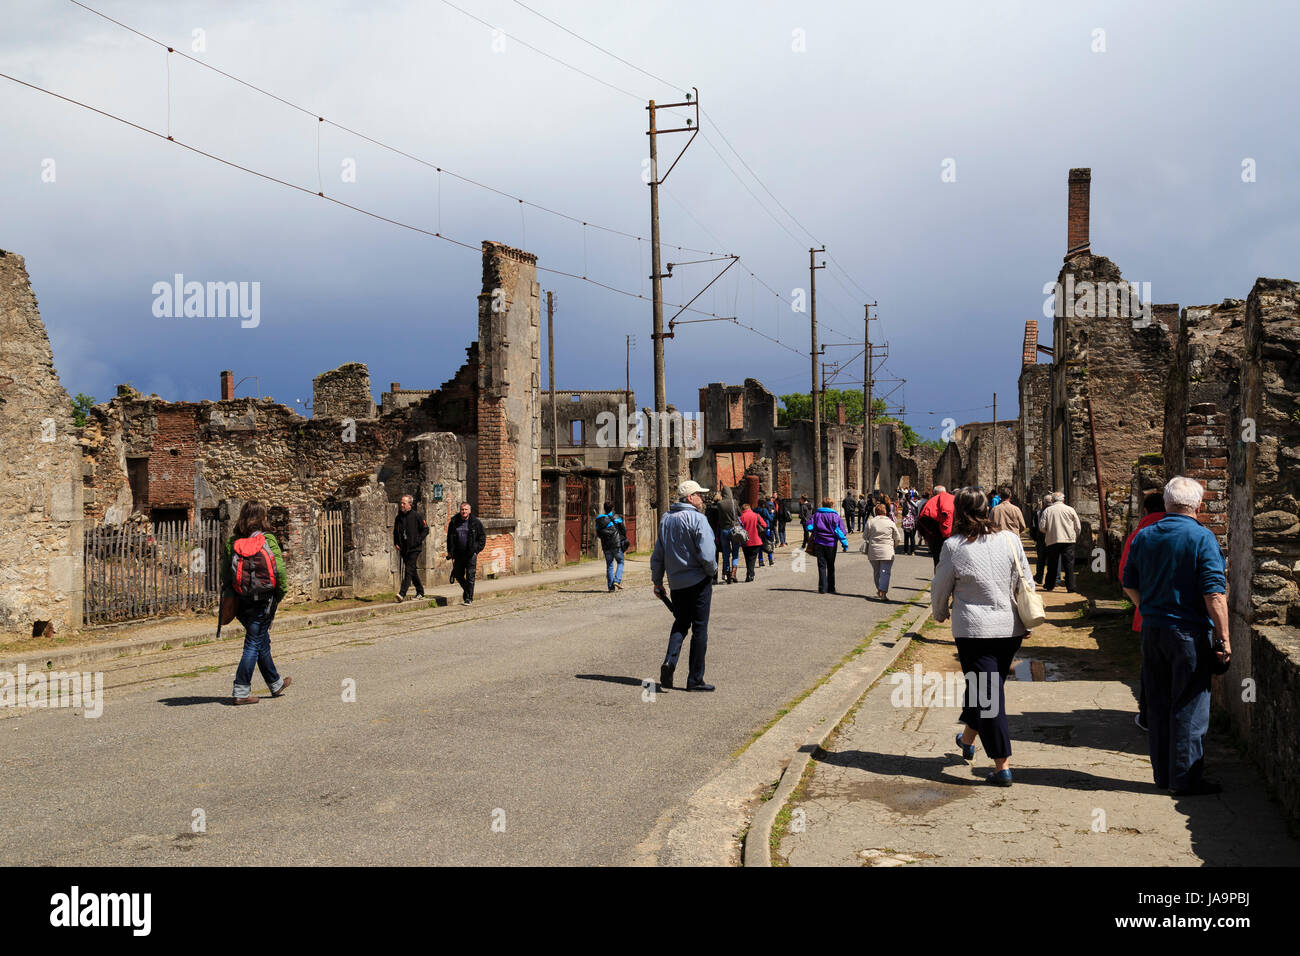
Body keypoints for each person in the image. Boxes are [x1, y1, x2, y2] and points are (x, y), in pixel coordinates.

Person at [1121, 477, 1228, 796]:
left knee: (1158, 702)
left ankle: (1163, 775)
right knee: (1190, 704)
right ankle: (1184, 778)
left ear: (1167, 503)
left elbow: (1128, 583)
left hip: (1153, 631)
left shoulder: (1144, 535)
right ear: (1198, 504)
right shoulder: (1202, 537)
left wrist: (1149, 609)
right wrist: (1224, 638)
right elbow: (1215, 594)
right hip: (1189, 631)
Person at [931, 488, 1035, 786]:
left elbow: (940, 586)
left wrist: (939, 613)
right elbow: (1025, 580)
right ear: (986, 509)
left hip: (975, 632)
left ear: (960, 512)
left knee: (989, 697)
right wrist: (1026, 619)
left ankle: (1002, 766)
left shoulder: (954, 546)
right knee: (986, 690)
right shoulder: (1010, 540)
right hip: (1008, 629)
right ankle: (966, 740)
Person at [651, 480, 718, 692]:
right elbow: (707, 554)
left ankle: (670, 662)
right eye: (698, 494)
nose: (701, 498)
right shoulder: (698, 519)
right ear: (690, 498)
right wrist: (712, 571)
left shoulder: (666, 519)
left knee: (681, 623)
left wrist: (657, 581)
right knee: (700, 628)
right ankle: (695, 679)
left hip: (676, 583)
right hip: (698, 581)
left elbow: (658, 554)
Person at [222, 500, 290, 705]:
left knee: (260, 640)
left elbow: (226, 576)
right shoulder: (267, 539)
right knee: (253, 643)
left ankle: (275, 683)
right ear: (262, 518)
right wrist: (279, 595)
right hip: (263, 600)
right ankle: (241, 691)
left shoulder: (232, 542)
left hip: (242, 601)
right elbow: (279, 571)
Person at [1118, 492, 1167, 731]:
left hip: (1147, 612)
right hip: (1186, 616)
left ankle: (1148, 716)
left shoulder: (1138, 536)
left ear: (1145, 511)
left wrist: (1140, 605)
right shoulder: (1194, 534)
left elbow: (1124, 577)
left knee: (1151, 665)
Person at [806, 497, 850, 594]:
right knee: (831, 565)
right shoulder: (835, 516)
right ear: (832, 505)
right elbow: (840, 532)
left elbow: (809, 526)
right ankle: (831, 587)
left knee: (821, 566)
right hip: (831, 544)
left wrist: (815, 529)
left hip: (819, 543)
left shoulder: (816, 515)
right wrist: (844, 544)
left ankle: (822, 588)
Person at [445, 501, 486, 605]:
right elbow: (449, 538)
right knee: (458, 575)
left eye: (466, 509)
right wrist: (450, 551)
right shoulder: (454, 521)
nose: (464, 511)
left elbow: (482, 538)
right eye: (462, 510)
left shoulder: (475, 522)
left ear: (469, 511)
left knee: (470, 576)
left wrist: (476, 550)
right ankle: (467, 590)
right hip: (458, 554)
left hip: (470, 554)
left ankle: (469, 598)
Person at [1040, 491, 1082, 592]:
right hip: (1068, 540)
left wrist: (1049, 532)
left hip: (1053, 539)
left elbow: (1041, 527)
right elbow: (1078, 526)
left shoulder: (1048, 511)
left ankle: (1050, 585)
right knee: (1069, 564)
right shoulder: (1070, 510)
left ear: (1053, 500)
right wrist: (1074, 536)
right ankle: (1071, 586)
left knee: (1052, 564)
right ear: (1063, 499)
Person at [393, 494, 429, 602]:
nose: (402, 505)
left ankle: (402, 593)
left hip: (414, 548)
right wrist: (396, 542)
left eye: (404, 503)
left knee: (408, 570)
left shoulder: (416, 516)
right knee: (412, 570)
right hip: (404, 548)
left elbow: (425, 529)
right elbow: (395, 531)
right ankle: (420, 592)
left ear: (410, 504)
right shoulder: (398, 517)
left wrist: (418, 540)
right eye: (401, 503)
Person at [865, 503, 904, 600]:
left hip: (873, 550)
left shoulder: (871, 522)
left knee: (876, 572)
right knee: (885, 572)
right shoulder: (890, 523)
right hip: (887, 549)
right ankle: (883, 593)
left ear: (876, 512)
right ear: (885, 512)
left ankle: (879, 589)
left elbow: (864, 536)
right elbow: (897, 537)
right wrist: (893, 546)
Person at [917, 484, 956, 568]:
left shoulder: (929, 503)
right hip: (953, 536)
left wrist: (927, 535)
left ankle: (939, 578)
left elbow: (922, 520)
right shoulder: (954, 501)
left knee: (938, 562)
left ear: (934, 493)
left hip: (936, 538)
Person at [595, 502, 629, 592]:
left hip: (606, 545)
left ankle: (611, 587)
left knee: (609, 565)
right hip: (616, 544)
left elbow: (598, 533)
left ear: (604, 508)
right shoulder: (616, 517)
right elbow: (623, 529)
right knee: (620, 562)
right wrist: (623, 539)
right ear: (612, 508)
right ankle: (617, 580)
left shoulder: (599, 519)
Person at [738, 502, 769, 582]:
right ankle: (750, 574)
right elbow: (765, 525)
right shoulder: (756, 515)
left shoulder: (741, 517)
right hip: (756, 540)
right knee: (753, 558)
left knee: (747, 558)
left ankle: (749, 573)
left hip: (745, 541)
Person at [1029, 494, 1053, 586]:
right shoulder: (1054, 511)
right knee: (1053, 559)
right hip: (1053, 538)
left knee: (1041, 559)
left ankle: (1039, 577)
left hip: (1041, 538)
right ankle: (1056, 578)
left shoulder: (1038, 513)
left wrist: (1035, 538)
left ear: (1043, 502)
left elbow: (1034, 527)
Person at [705, 492, 725, 584]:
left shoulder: (709, 509)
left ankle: (714, 577)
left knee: (714, 556)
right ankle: (724, 573)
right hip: (720, 532)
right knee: (725, 554)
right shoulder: (721, 508)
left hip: (711, 533)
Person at [757, 498, 777, 566]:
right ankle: (770, 560)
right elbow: (770, 518)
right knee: (768, 543)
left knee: (759, 545)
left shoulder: (755, 510)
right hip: (765, 528)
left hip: (758, 529)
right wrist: (771, 513)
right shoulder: (764, 510)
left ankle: (760, 560)